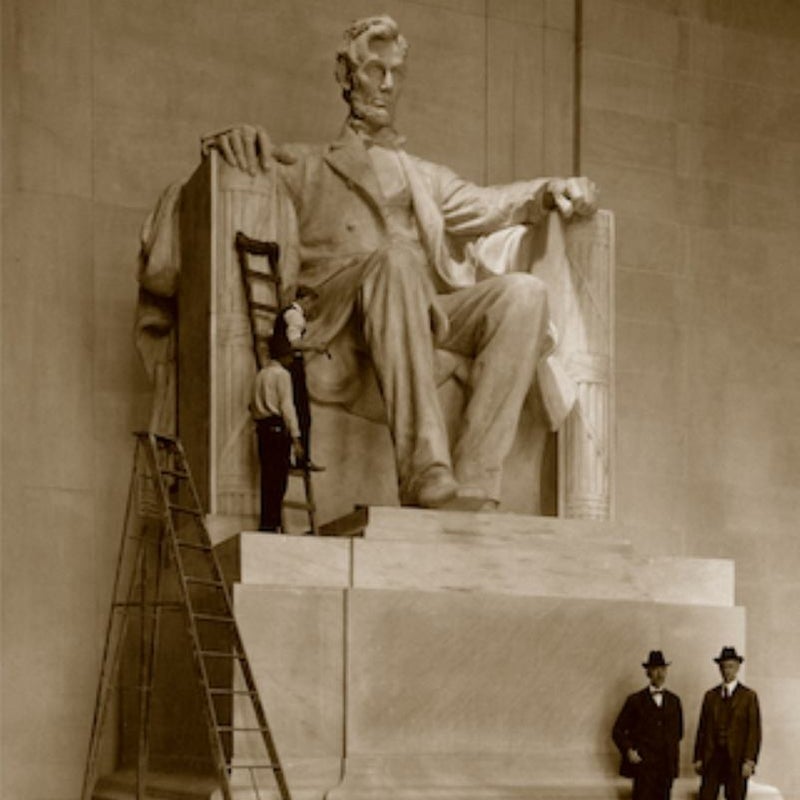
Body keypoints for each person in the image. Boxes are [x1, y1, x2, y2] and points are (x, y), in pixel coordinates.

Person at [200, 15, 599, 511]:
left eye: (396, 72)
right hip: (344, 317)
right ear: (346, 76)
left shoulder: (423, 176)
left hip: (424, 311)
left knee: (524, 295)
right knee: (397, 260)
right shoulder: (303, 165)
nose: (387, 83)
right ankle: (425, 471)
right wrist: (230, 145)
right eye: (374, 70)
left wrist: (546, 191)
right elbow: (218, 188)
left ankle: (475, 480)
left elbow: (490, 203)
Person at [612, 651, 684, 800]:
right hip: (643, 768)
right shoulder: (635, 701)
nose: (660, 674)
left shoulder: (674, 701)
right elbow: (617, 731)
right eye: (655, 669)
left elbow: (679, 733)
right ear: (648, 673)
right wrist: (629, 750)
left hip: (666, 768)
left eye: (663, 669)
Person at [250, 336, 304, 532]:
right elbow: (287, 407)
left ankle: (267, 523)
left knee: (267, 478)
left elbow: (251, 406)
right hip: (277, 428)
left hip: (262, 430)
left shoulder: (260, 375)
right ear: (284, 356)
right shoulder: (282, 375)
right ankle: (273, 523)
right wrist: (296, 439)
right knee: (278, 479)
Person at [693, 647, 762, 800]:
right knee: (706, 796)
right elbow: (702, 729)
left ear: (737, 668)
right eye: (723, 667)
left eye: (730, 666)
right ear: (719, 668)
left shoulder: (748, 696)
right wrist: (698, 757)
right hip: (713, 757)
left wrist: (749, 761)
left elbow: (754, 732)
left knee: (735, 796)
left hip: (737, 759)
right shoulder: (710, 696)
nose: (727, 671)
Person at [270, 286, 325, 471]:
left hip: (285, 364)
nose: (311, 308)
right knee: (302, 413)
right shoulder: (295, 316)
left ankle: (295, 457)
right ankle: (303, 459)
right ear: (305, 299)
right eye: (311, 303)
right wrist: (316, 346)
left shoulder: (288, 314)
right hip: (291, 365)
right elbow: (295, 343)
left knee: (291, 412)